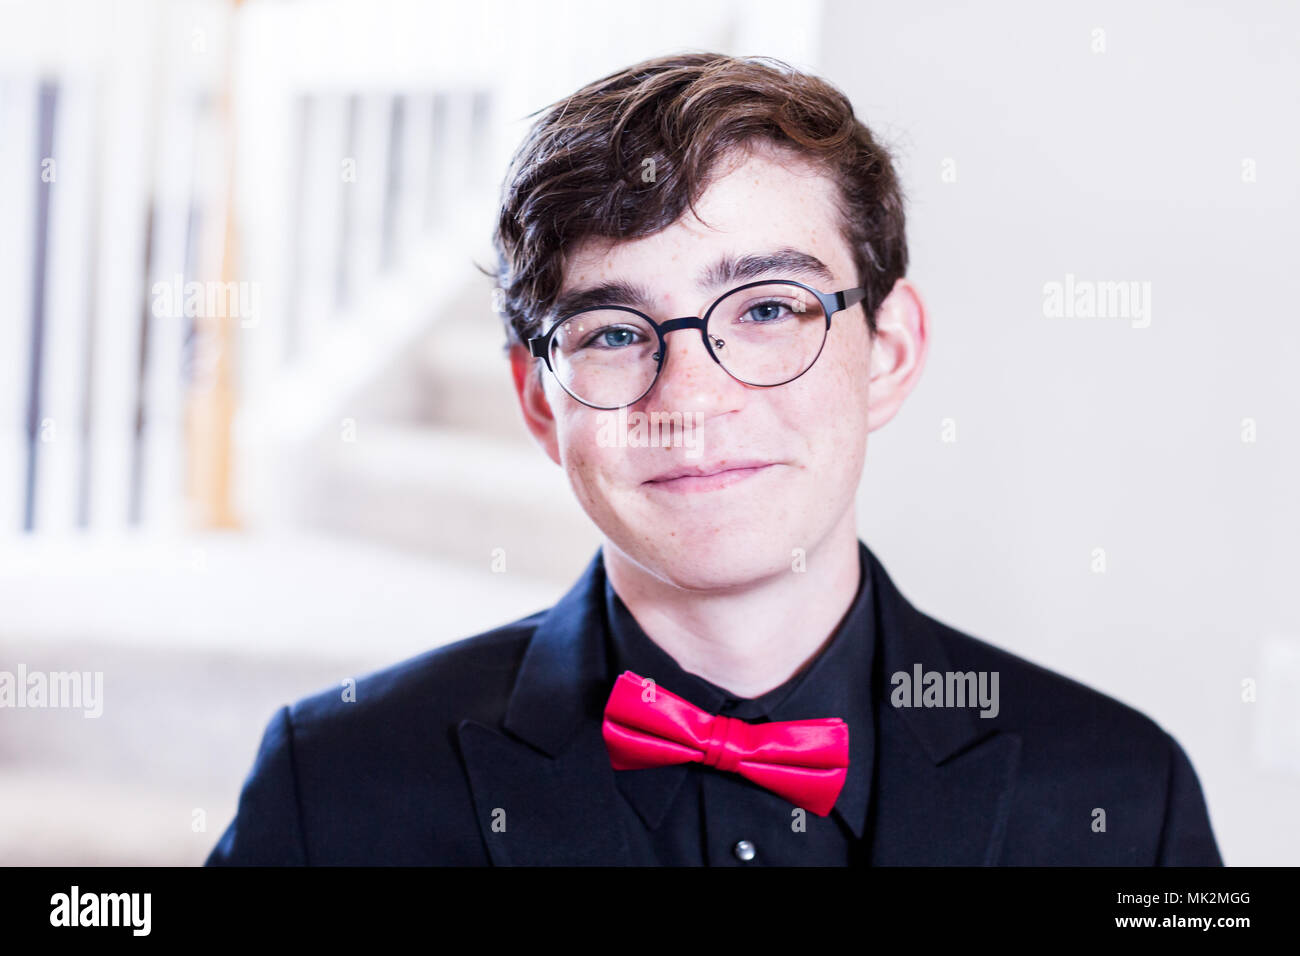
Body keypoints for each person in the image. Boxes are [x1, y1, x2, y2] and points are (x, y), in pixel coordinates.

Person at [207, 52, 1221, 866]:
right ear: (535, 399)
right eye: (612, 330)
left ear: (890, 352)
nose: (690, 399)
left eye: (769, 309)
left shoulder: (1120, 791)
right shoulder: (334, 783)